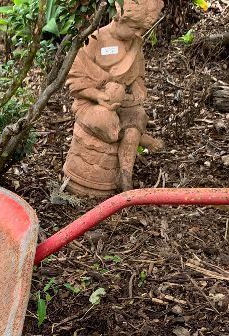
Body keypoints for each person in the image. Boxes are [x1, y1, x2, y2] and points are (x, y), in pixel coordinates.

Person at [62, 0, 165, 196]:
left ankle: (125, 177)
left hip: (121, 103)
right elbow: (75, 77)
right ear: (118, 17)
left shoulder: (135, 43)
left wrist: (135, 92)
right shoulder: (95, 39)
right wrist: (99, 96)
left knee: (136, 118)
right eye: (134, 27)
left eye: (142, 29)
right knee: (106, 121)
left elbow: (138, 77)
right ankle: (139, 140)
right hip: (92, 102)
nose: (138, 33)